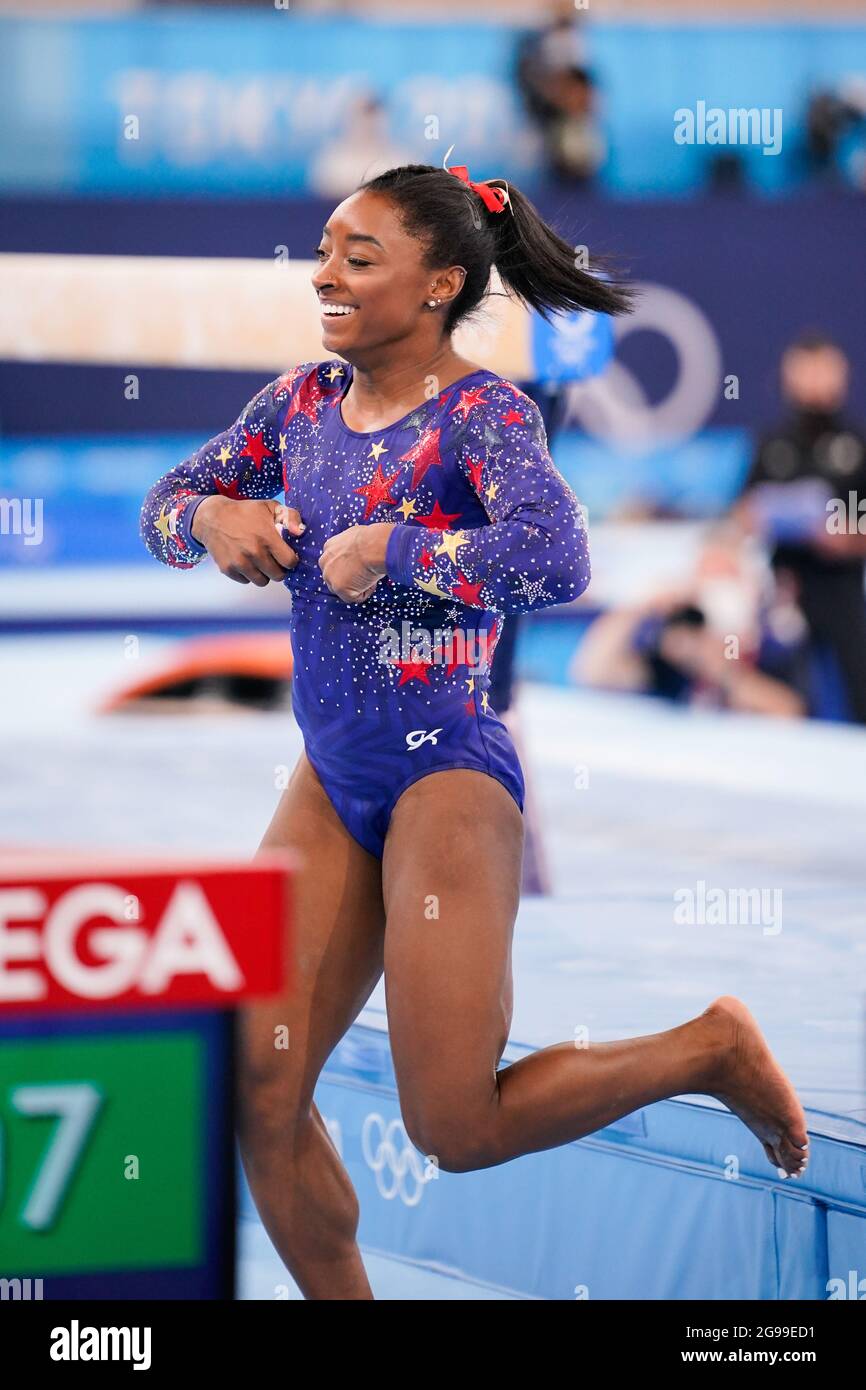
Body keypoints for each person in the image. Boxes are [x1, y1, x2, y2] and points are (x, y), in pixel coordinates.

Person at [141, 161, 808, 1300]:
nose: (325, 274)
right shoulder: (296, 404)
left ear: (441, 282)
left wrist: (395, 546)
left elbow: (557, 558)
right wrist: (212, 512)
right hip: (330, 774)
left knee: (452, 1121)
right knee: (254, 1085)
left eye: (359, 257)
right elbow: (161, 508)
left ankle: (707, 1046)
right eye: (325, 250)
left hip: (445, 774)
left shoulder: (479, 413)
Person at [734, 333, 866, 723]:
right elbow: (742, 511)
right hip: (784, 584)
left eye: (823, 370)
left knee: (856, 669)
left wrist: (847, 536)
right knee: (770, 675)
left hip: (839, 585)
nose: (813, 381)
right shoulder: (773, 444)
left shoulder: (855, 446)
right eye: (804, 371)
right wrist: (758, 518)